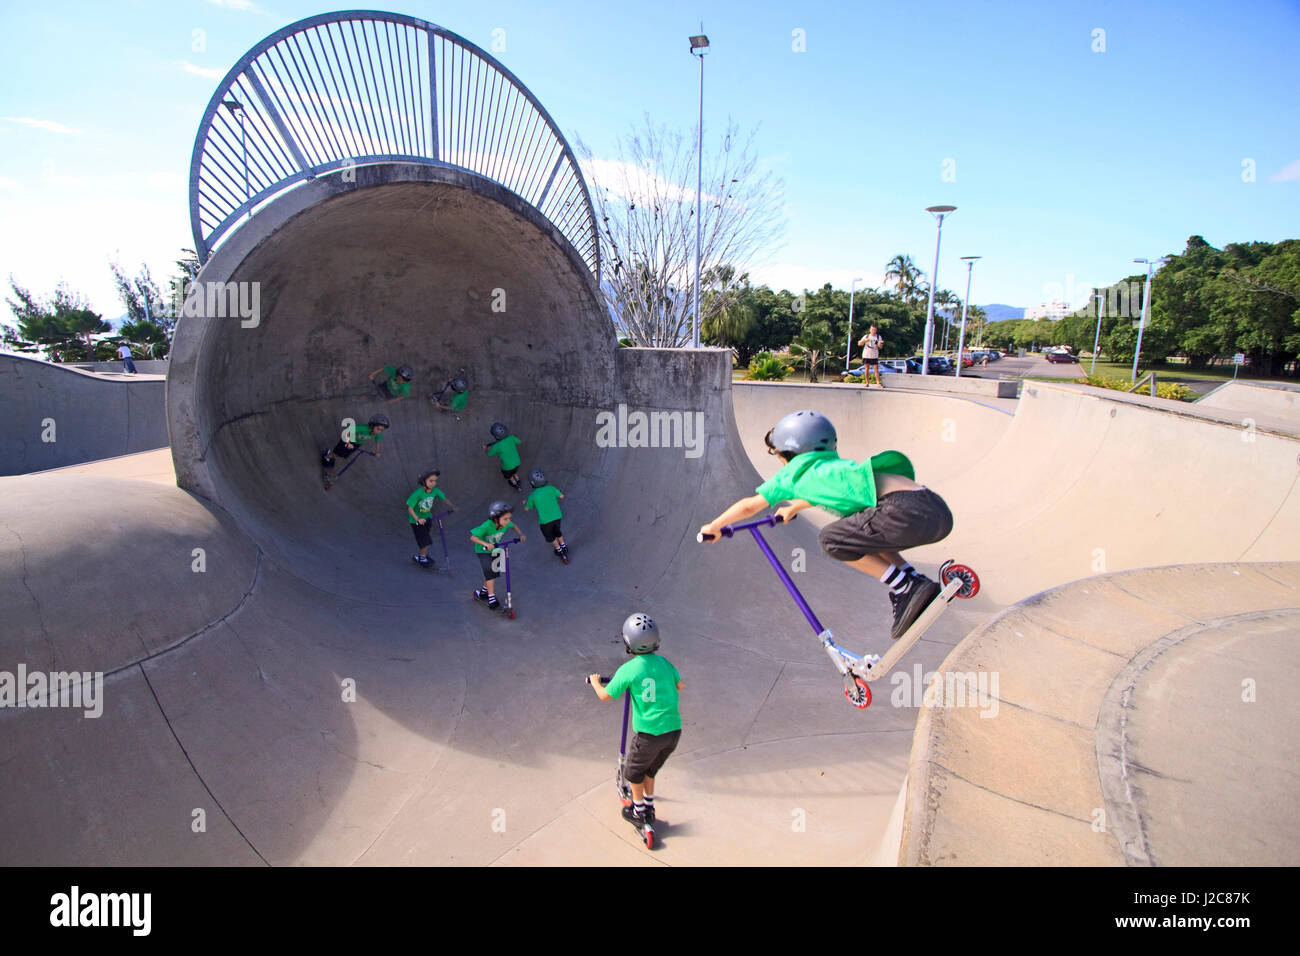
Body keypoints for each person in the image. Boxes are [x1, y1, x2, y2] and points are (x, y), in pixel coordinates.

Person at [698, 410, 953, 642]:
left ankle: (906, 586)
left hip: (902, 511)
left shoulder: (791, 473)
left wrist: (716, 525)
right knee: (860, 533)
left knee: (832, 540)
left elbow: (750, 506)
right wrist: (795, 507)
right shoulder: (833, 467)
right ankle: (914, 578)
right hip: (934, 511)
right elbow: (827, 492)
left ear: (788, 453)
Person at [588, 613, 683, 844]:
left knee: (633, 773)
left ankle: (638, 811)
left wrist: (595, 682)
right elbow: (680, 685)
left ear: (628, 643)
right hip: (673, 731)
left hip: (649, 734)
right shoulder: (665, 664)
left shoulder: (629, 670)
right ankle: (648, 806)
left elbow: (605, 696)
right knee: (650, 769)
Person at [469, 500, 525, 609]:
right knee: (490, 572)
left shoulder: (506, 523)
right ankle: (491, 598)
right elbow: (473, 537)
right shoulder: (487, 525)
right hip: (483, 551)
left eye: (509, 518)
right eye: (505, 519)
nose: (508, 521)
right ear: (495, 518)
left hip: (495, 550)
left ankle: (483, 592)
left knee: (493, 573)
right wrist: (485, 543)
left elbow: (513, 526)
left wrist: (520, 534)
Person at [320, 414, 387, 489]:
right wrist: (348, 443)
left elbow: (378, 441)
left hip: (356, 444)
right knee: (337, 453)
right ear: (372, 426)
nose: (379, 431)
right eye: (378, 429)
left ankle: (332, 456)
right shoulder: (363, 428)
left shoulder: (377, 434)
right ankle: (327, 456)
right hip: (347, 440)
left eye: (381, 430)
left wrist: (377, 451)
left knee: (343, 455)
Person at [406, 470, 455, 568]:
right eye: (431, 481)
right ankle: (423, 558)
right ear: (424, 481)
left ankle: (420, 556)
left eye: (435, 481)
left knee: (425, 538)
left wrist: (453, 506)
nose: (434, 483)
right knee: (425, 539)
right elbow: (410, 508)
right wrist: (417, 519)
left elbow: (444, 498)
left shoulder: (435, 490)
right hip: (417, 520)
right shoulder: (418, 493)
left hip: (428, 518)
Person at [523, 468, 567, 560]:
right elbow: (562, 496)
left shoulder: (533, 495)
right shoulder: (551, 488)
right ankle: (563, 546)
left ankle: (558, 550)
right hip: (557, 516)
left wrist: (525, 503)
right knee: (557, 532)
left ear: (532, 483)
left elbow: (527, 509)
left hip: (545, 521)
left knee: (551, 536)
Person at [482, 422, 523, 491]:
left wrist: (485, 448)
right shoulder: (511, 437)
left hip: (507, 467)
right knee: (515, 471)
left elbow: (489, 454)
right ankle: (517, 479)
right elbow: (519, 442)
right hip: (517, 462)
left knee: (509, 475)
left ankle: (513, 482)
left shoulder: (496, 446)